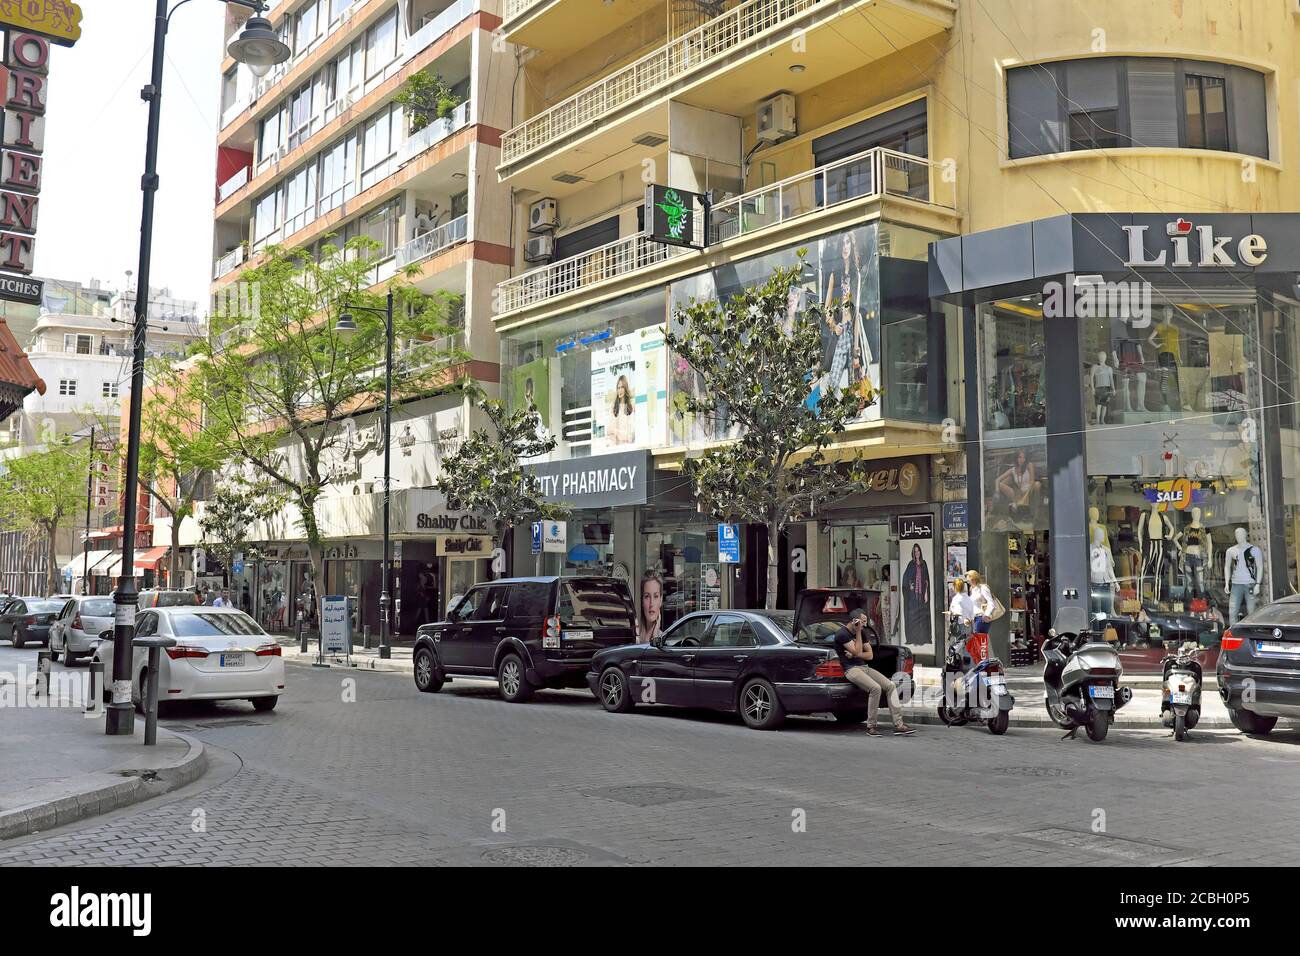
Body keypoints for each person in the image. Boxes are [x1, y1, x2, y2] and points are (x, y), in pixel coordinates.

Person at [833, 609, 914, 736]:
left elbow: (869, 655)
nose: (865, 625)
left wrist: (855, 653)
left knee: (891, 685)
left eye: (865, 622)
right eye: (863, 622)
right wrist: (858, 635)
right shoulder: (842, 634)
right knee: (875, 688)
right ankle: (871, 726)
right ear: (854, 621)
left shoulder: (863, 633)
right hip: (851, 669)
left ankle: (899, 724)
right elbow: (857, 650)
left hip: (864, 667)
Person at [901, 543, 930, 646]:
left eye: (918, 551)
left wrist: (926, 593)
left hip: (921, 595)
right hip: (913, 596)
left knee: (921, 616)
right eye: (915, 551)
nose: (917, 553)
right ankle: (913, 638)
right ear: (913, 553)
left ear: (920, 552)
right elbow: (906, 579)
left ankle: (921, 639)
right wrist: (910, 586)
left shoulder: (924, 564)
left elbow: (926, 581)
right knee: (913, 616)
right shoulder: (910, 564)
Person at [964, 569, 996, 663]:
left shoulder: (983, 588)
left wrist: (986, 615)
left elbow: (991, 603)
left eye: (968, 578)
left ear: (973, 578)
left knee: (980, 643)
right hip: (976, 619)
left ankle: (983, 666)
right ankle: (980, 665)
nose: (967, 581)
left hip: (982, 618)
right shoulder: (973, 590)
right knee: (978, 644)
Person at [638, 569, 663, 644]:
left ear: (661, 600)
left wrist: (655, 635)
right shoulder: (635, 637)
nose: (651, 603)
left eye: (655, 596)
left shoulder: (664, 641)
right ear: (642, 600)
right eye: (647, 596)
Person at [609, 374, 635, 445]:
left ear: (625, 388)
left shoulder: (631, 405)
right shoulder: (614, 407)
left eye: (622, 387)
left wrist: (616, 432)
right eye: (618, 388)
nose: (620, 390)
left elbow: (630, 433)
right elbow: (610, 431)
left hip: (629, 445)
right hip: (617, 446)